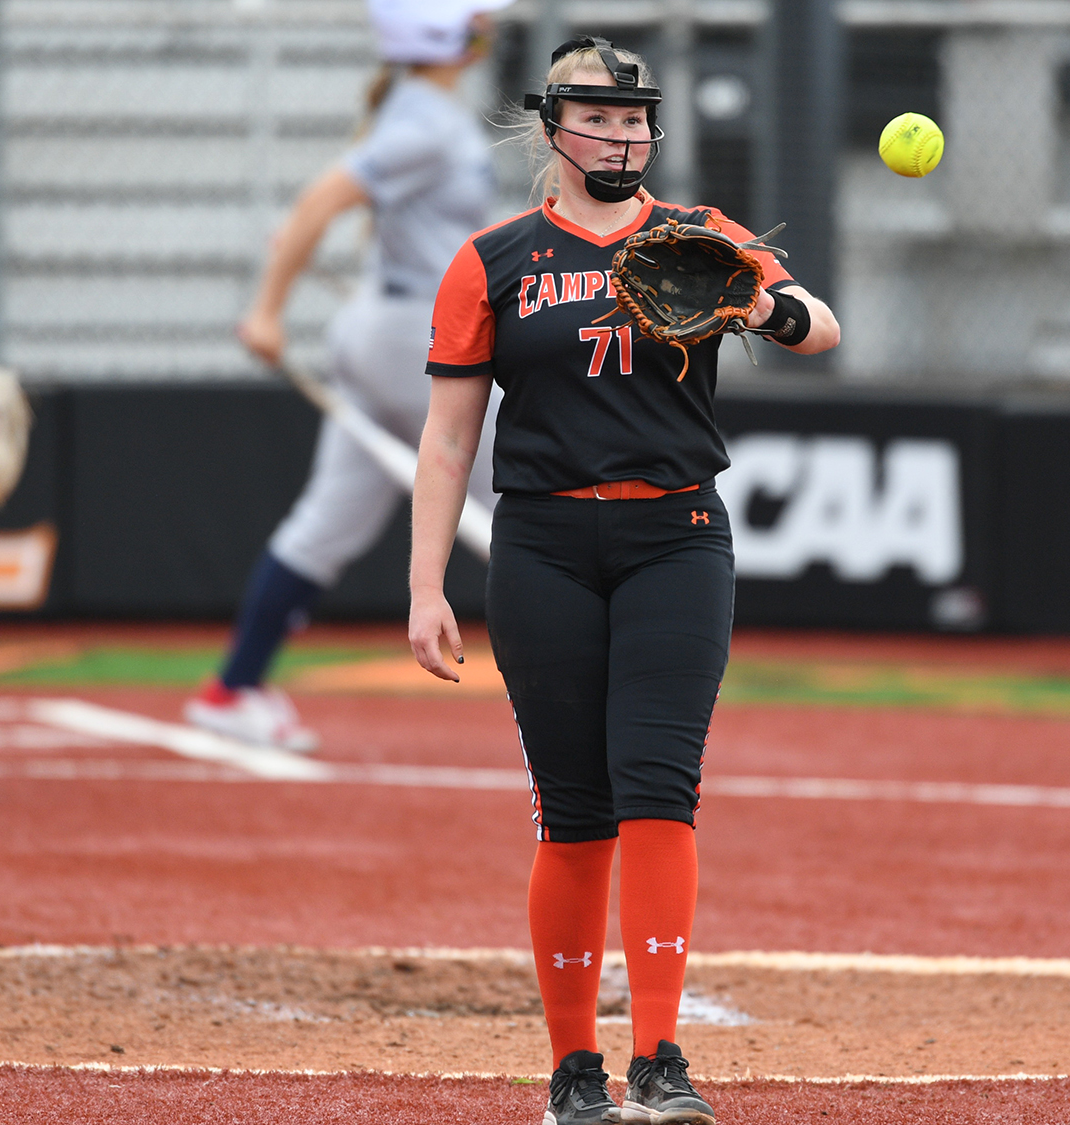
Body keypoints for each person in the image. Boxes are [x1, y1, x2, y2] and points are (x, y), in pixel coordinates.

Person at [407, 36, 839, 1125]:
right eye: (598, 116)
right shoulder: (492, 260)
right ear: (551, 126)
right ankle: (572, 1074)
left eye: (636, 116)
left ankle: (659, 1057)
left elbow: (819, 331)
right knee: (573, 810)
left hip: (676, 538)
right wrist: (424, 588)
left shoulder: (700, 236)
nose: (622, 133)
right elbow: (448, 439)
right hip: (544, 546)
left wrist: (751, 305)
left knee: (659, 786)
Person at [183, 0, 510, 751]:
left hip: (389, 329)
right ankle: (593, 675)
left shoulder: (418, 107)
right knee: (524, 490)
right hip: (418, 343)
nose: (488, 30)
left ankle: (233, 686)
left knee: (329, 520)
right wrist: (267, 309)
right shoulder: (425, 118)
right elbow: (321, 200)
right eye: (475, 22)